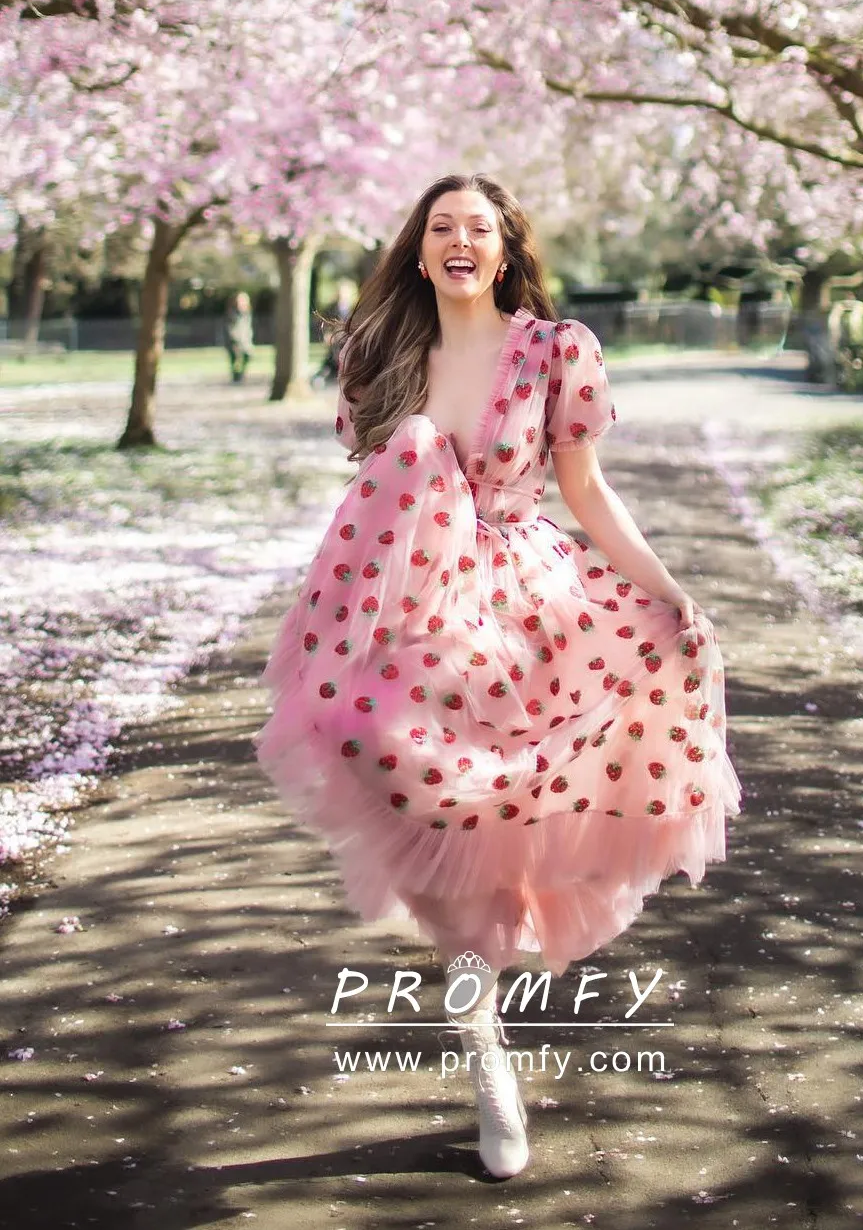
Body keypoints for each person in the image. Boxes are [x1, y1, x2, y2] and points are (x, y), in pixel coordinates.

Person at [255, 174, 741, 1179]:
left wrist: (670, 591)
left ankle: (482, 1012)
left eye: (478, 227)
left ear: (506, 247)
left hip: (523, 601)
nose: (458, 241)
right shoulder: (381, 347)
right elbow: (374, 480)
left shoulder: (553, 351)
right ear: (421, 249)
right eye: (440, 228)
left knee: (508, 820)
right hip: (402, 604)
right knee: (399, 777)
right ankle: (486, 1048)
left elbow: (586, 491)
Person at [223, 291, 254, 382]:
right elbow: (230, 328)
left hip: (245, 340)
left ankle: (241, 374)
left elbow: (248, 328)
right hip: (235, 341)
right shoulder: (232, 313)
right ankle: (236, 377)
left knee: (247, 356)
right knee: (235, 360)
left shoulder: (247, 313)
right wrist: (234, 339)